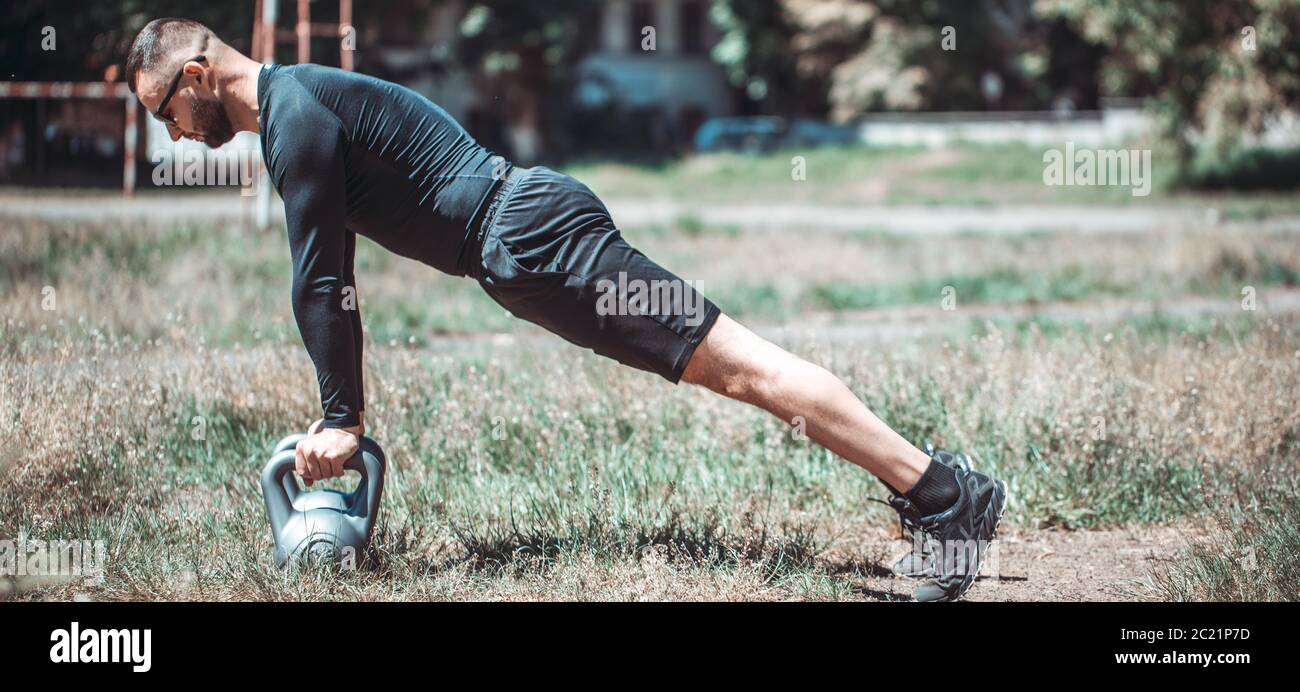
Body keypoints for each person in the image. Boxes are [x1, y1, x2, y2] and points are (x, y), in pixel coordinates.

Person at [124, 18, 1007, 601]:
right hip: (524, 247)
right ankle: (938, 490)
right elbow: (330, 280)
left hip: (535, 239)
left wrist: (341, 418)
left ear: (197, 74)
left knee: (739, 364)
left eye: (166, 110)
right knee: (733, 368)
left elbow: (320, 280)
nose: (172, 131)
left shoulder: (295, 114)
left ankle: (943, 494)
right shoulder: (298, 104)